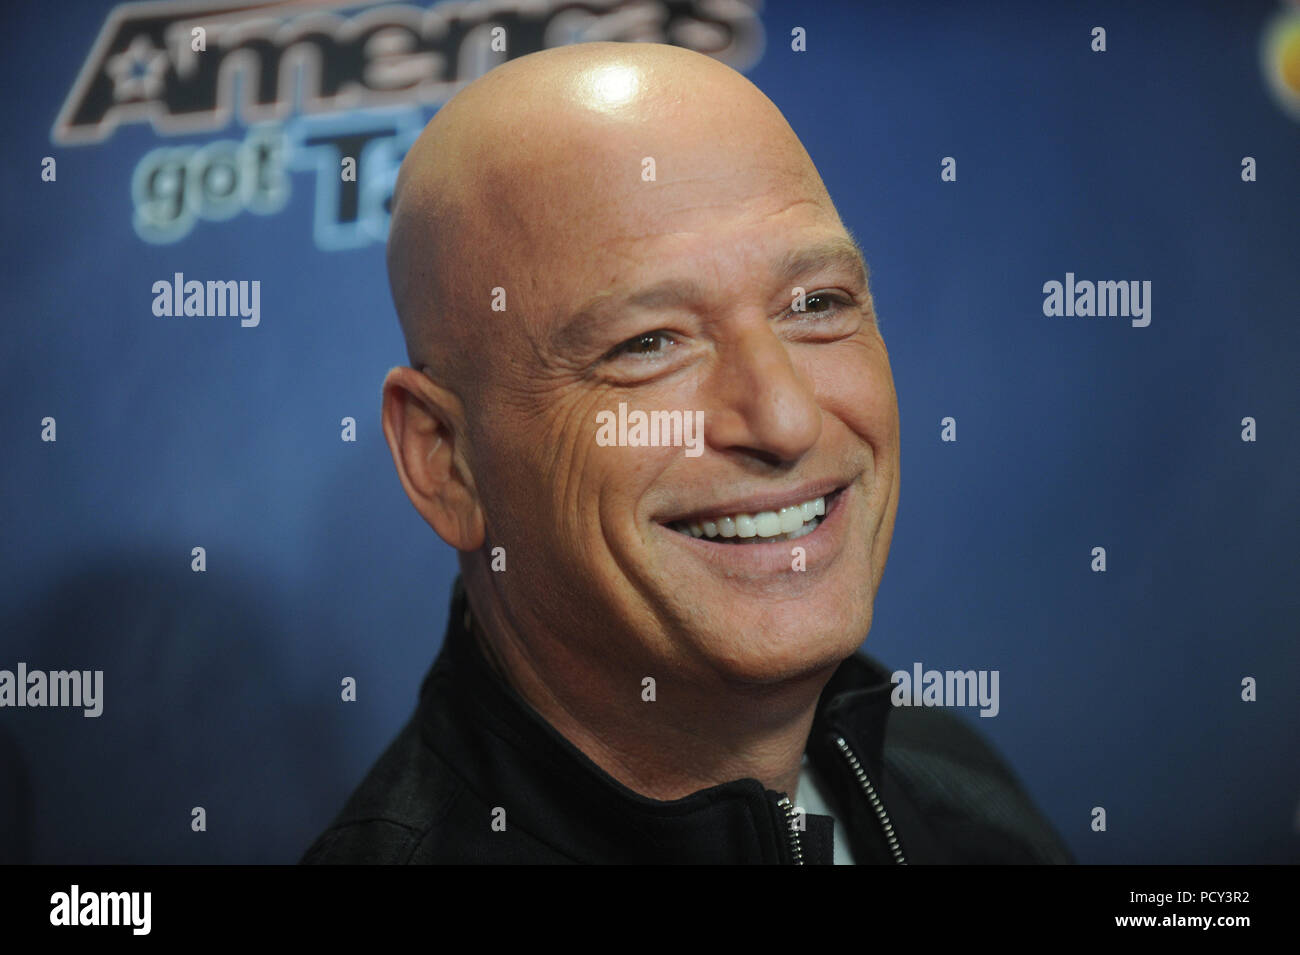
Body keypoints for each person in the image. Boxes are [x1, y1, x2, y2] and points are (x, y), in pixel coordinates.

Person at [301, 41, 1073, 864]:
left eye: (816, 303)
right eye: (647, 343)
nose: (784, 419)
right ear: (446, 457)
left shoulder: (944, 775)